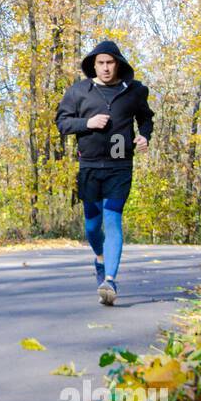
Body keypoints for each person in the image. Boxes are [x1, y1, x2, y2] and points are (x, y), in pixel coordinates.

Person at [54, 40, 154, 305]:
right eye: (101, 63)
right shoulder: (78, 92)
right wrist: (87, 123)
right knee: (92, 225)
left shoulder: (134, 91)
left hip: (120, 165)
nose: (106, 68)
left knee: (113, 219)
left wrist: (144, 136)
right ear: (93, 65)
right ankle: (99, 257)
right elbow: (62, 123)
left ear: (118, 64)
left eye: (110, 63)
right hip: (89, 165)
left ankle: (109, 280)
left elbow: (146, 118)